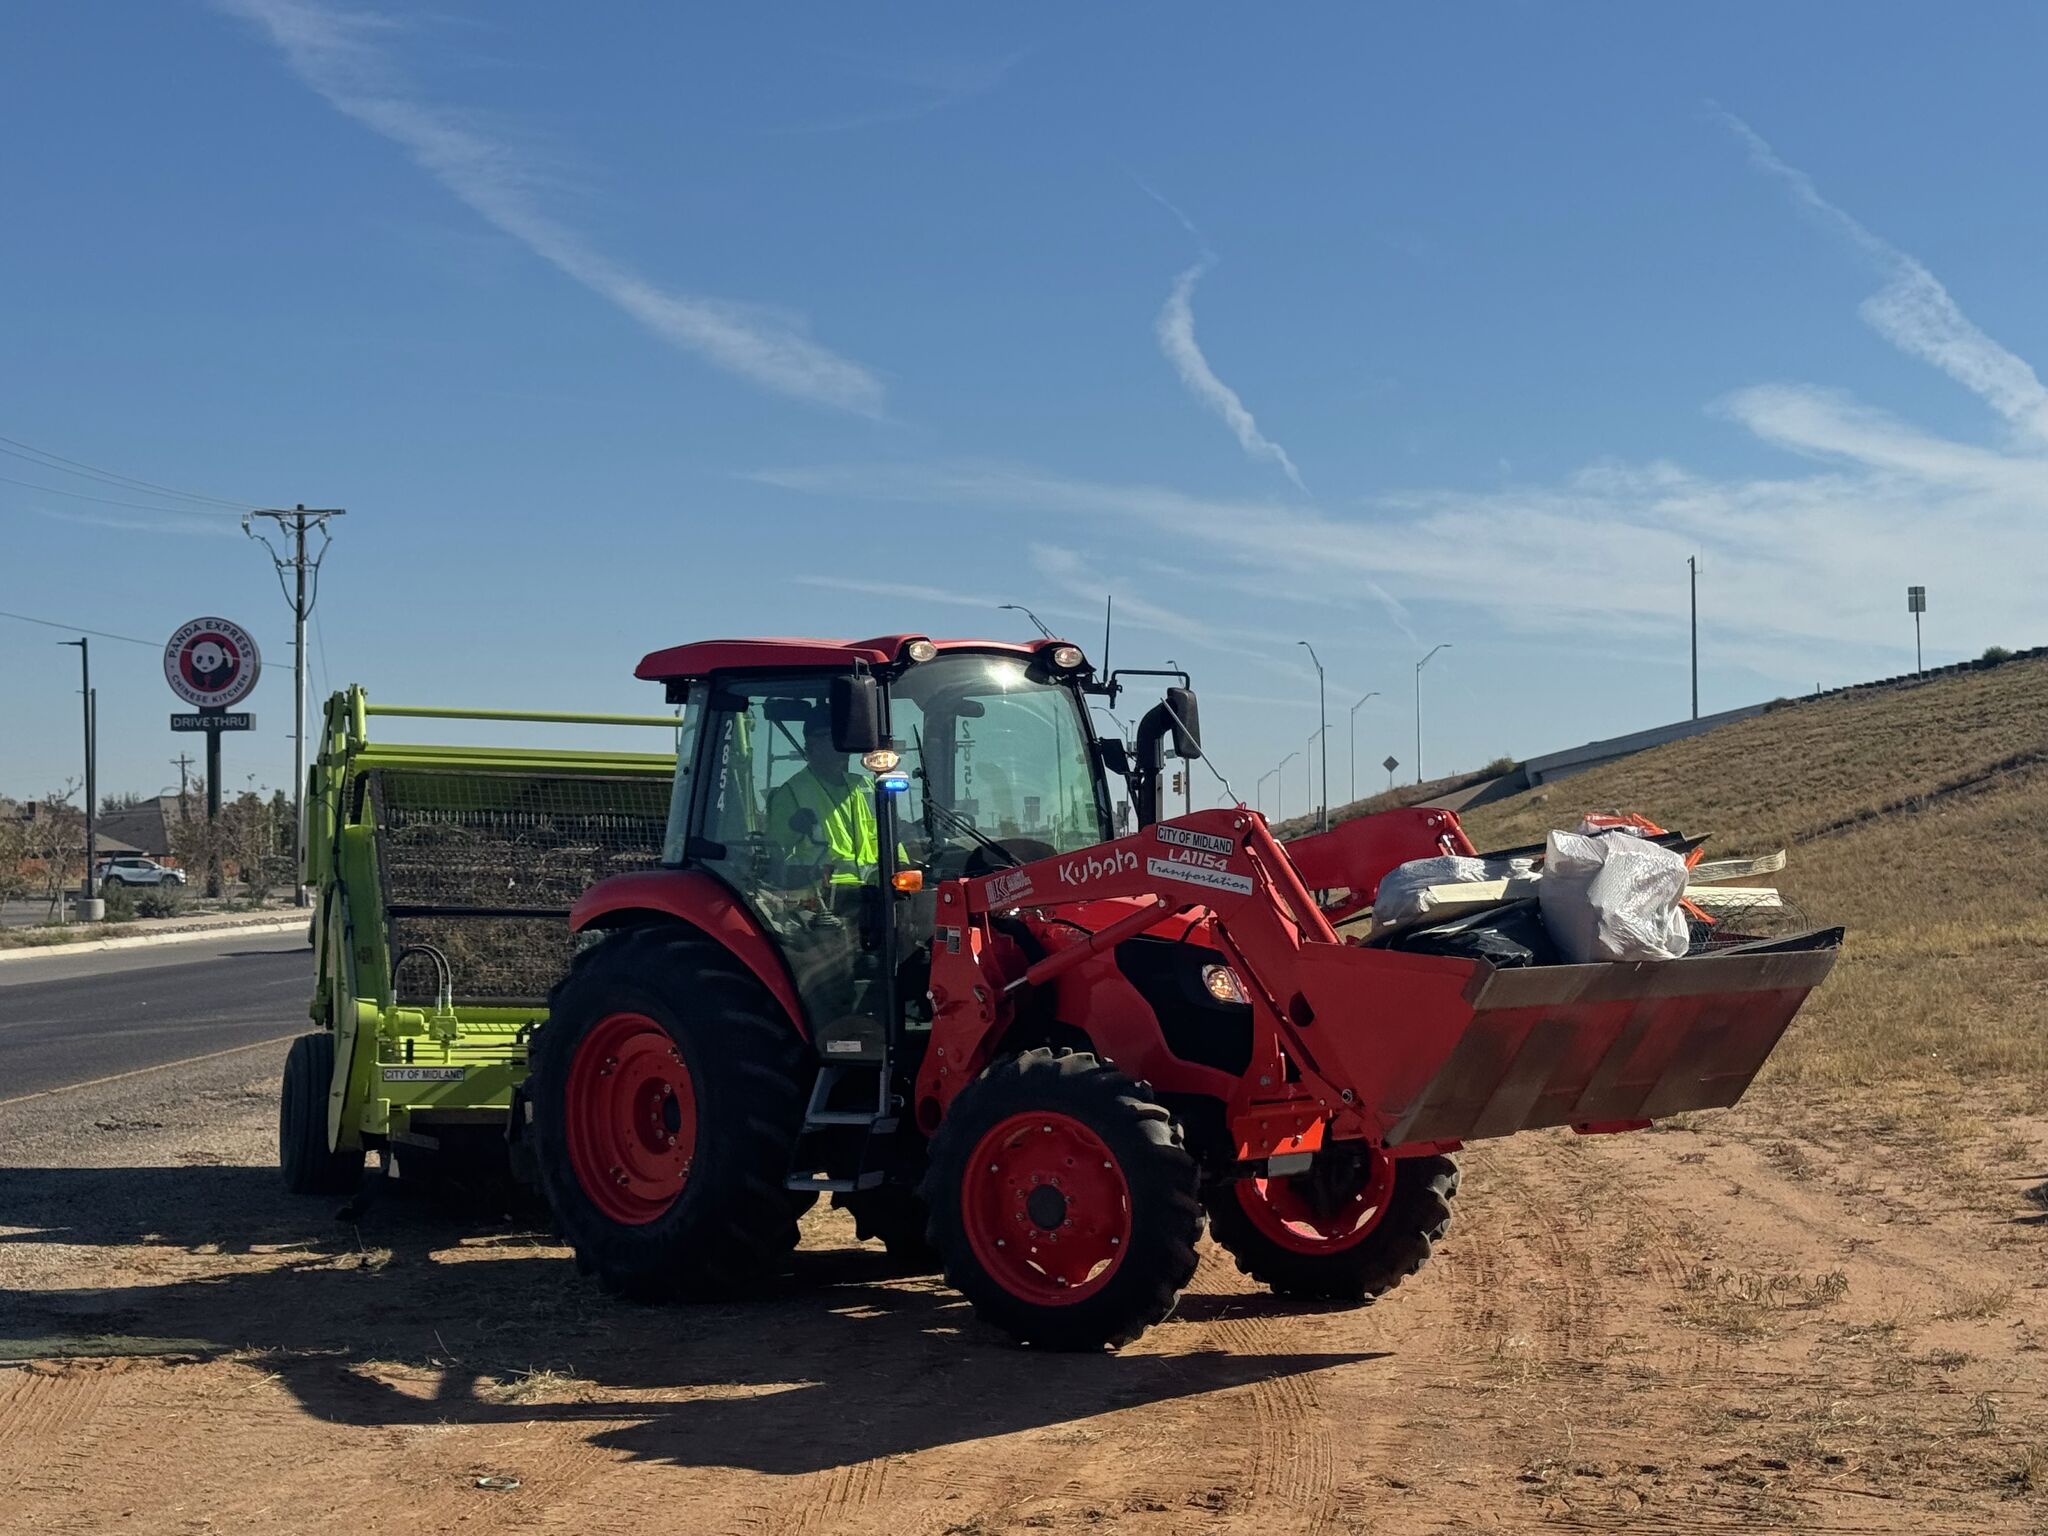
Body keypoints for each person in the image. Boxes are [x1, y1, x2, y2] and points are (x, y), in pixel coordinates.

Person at [765, 706, 881, 894]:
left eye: (845, 738)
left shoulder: (864, 786)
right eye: (833, 737)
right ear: (812, 744)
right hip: (820, 897)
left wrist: (901, 861)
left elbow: (886, 836)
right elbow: (774, 853)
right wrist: (793, 831)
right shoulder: (791, 793)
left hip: (872, 889)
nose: (844, 745)